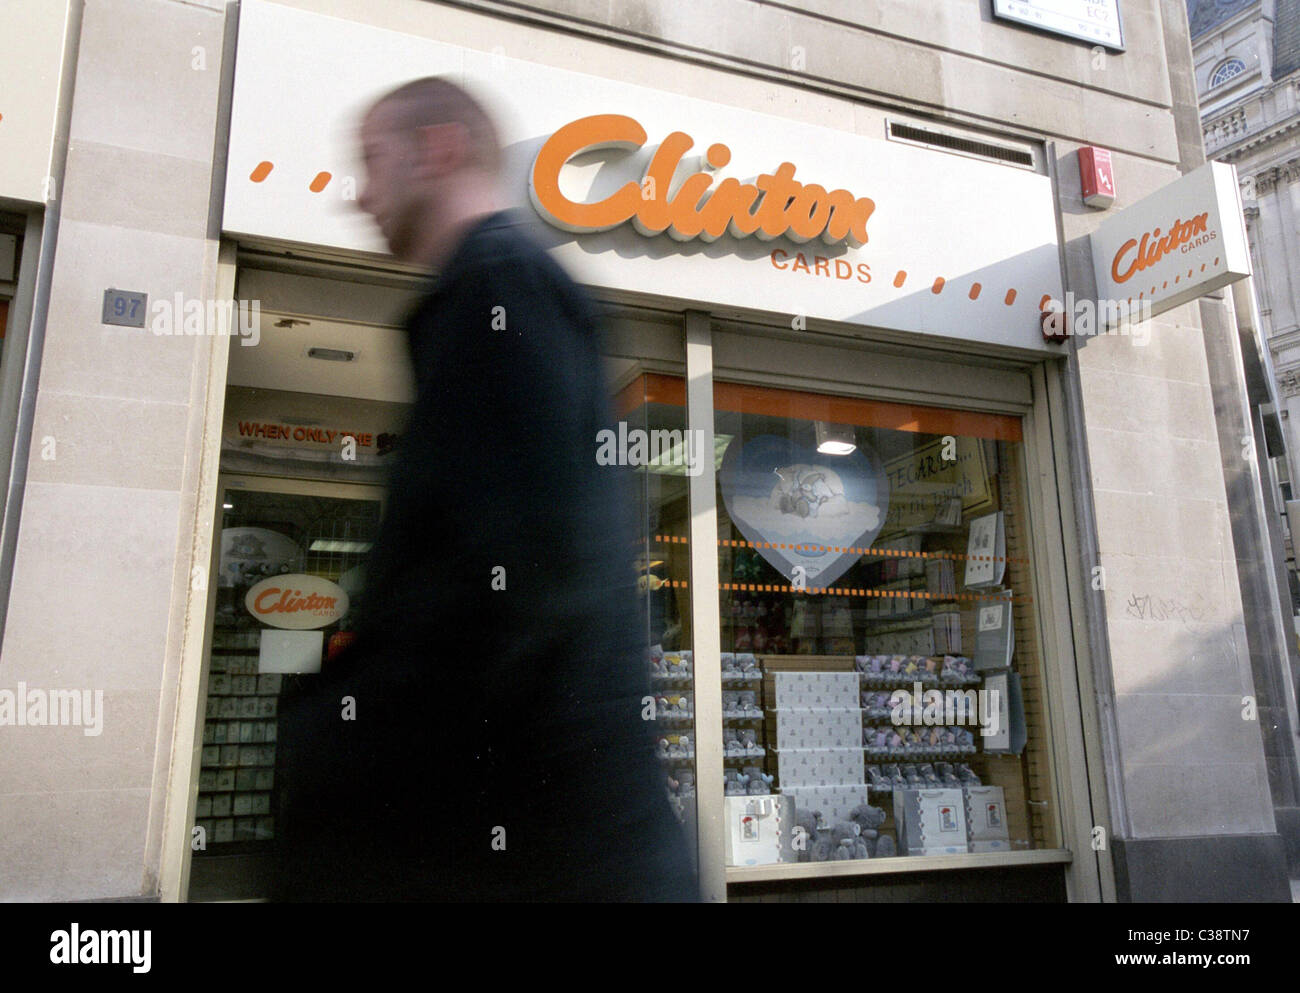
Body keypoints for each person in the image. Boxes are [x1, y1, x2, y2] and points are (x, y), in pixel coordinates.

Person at [270, 76, 698, 902]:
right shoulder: (502, 290)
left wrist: (338, 741)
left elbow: (520, 586)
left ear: (439, 148)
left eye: (373, 160)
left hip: (543, 859)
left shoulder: (499, 289)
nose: (359, 195)